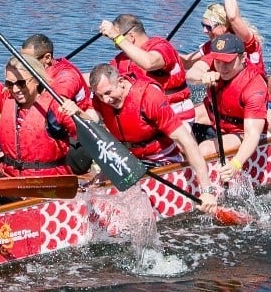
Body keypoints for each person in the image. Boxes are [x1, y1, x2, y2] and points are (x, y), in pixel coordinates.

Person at [82, 62, 220, 210]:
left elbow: (187, 141)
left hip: (161, 159)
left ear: (121, 82)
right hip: (128, 159)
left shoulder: (149, 97)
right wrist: (75, 112)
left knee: (125, 188)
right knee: (94, 187)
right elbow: (90, 119)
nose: (106, 100)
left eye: (108, 93)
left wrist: (206, 191)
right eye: (100, 96)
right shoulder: (102, 98)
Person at [0, 16, 81, 177]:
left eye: (21, 83)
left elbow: (90, 136)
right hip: (11, 176)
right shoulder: (6, 98)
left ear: (37, 79)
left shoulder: (54, 105)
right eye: (9, 83)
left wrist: (79, 114)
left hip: (48, 180)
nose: (15, 89)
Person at [196, 33, 271, 172]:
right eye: (218, 62)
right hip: (221, 126)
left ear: (243, 58)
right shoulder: (215, 65)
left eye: (228, 62)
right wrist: (202, 76)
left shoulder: (254, 85)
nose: (222, 67)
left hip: (242, 131)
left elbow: (252, 135)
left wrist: (235, 165)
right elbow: (191, 73)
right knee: (183, 126)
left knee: (204, 149)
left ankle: (202, 176)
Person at [98, 13, 194, 125]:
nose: (117, 46)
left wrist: (117, 37)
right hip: (146, 116)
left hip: (176, 115)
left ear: (131, 37)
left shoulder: (162, 47)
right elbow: (104, 78)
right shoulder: (122, 58)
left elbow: (149, 63)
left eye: (116, 42)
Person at [184, 0, 266, 84]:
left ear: (225, 26)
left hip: (253, 91)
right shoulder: (214, 46)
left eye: (209, 27)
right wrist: (161, 50)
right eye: (203, 25)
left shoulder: (246, 42)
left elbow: (233, 17)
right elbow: (187, 61)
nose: (204, 31)